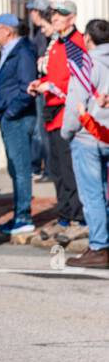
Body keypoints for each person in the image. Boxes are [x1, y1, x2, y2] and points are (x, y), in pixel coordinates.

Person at [28, 0, 87, 236]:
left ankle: (78, 216)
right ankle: (64, 215)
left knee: (69, 167)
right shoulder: (57, 43)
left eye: (59, 15)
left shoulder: (77, 42)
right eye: (53, 15)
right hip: (52, 111)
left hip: (67, 113)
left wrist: (50, 86)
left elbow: (77, 81)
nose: (54, 19)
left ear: (71, 18)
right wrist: (39, 83)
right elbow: (53, 74)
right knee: (55, 168)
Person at [0, 13, 38, 241]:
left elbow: (27, 88)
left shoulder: (22, 52)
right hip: (9, 118)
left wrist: (10, 112)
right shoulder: (8, 52)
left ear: (8, 30)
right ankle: (19, 214)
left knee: (21, 168)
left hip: (17, 118)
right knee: (15, 169)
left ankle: (24, 217)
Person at [61, 18, 109, 268]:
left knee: (93, 194)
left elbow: (75, 100)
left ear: (88, 39)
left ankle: (100, 246)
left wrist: (67, 131)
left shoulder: (86, 63)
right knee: (104, 193)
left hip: (88, 135)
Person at [25, 0, 53, 178]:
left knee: (42, 129)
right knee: (40, 129)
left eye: (32, 11)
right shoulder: (39, 33)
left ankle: (48, 169)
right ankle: (44, 167)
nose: (30, 15)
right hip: (41, 86)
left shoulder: (44, 36)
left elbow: (43, 62)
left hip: (45, 87)